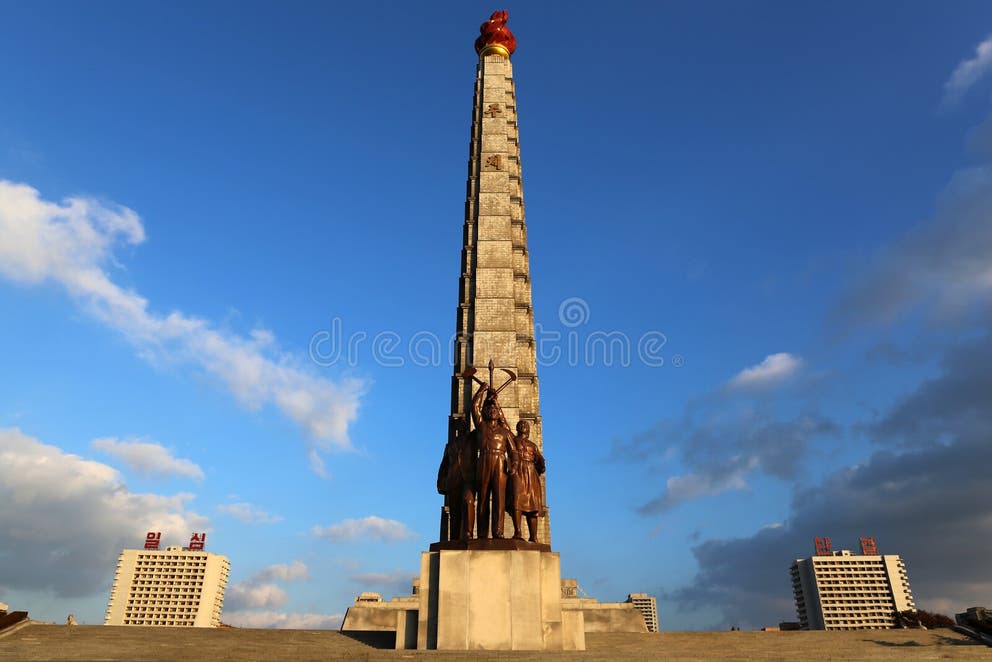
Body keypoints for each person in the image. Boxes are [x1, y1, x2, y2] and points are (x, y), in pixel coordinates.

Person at [471, 383, 515, 539]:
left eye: (495, 410)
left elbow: (513, 451)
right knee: (482, 498)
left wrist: (513, 464)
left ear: (499, 414)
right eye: (489, 409)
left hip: (500, 462)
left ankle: (498, 532)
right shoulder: (480, 426)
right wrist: (481, 390)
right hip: (483, 459)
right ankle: (482, 533)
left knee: (499, 499)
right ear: (485, 412)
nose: (492, 411)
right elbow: (474, 406)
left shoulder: (505, 431)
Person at [436, 416, 477, 540]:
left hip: (468, 479)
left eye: (464, 424)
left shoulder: (473, 440)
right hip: (453, 480)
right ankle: (454, 538)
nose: (461, 427)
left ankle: (469, 533)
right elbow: (444, 465)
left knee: (468, 501)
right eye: (459, 425)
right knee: (454, 511)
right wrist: (440, 481)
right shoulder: (450, 445)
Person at [508, 420, 545, 542]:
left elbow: (539, 459)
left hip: (531, 473)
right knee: (517, 500)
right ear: (517, 428)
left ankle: (533, 536)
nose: (523, 426)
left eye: (526, 425)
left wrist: (541, 464)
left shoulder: (533, 445)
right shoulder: (513, 439)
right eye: (521, 424)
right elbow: (504, 424)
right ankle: (518, 531)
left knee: (533, 505)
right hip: (519, 471)